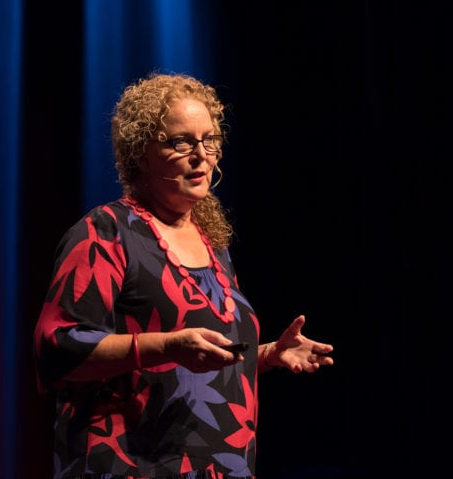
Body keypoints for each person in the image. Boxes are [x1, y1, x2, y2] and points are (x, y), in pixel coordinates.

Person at [33, 72, 334, 479]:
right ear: (141, 152)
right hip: (129, 465)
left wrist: (265, 356)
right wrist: (168, 346)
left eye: (209, 140)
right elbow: (58, 347)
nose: (201, 154)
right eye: (181, 142)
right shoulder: (106, 233)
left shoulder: (213, 243)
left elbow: (194, 365)